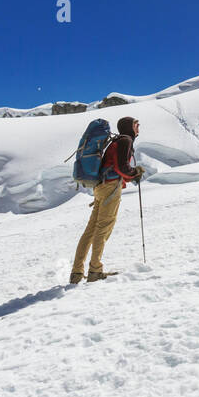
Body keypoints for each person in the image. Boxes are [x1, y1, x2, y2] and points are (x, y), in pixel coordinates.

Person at [70, 116, 145, 283]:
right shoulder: (125, 140)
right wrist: (135, 173)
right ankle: (95, 270)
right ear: (129, 127)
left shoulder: (117, 141)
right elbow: (121, 167)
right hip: (110, 187)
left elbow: (114, 166)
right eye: (136, 124)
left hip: (100, 187)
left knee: (91, 230)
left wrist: (131, 175)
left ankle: (76, 272)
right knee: (103, 228)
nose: (138, 127)